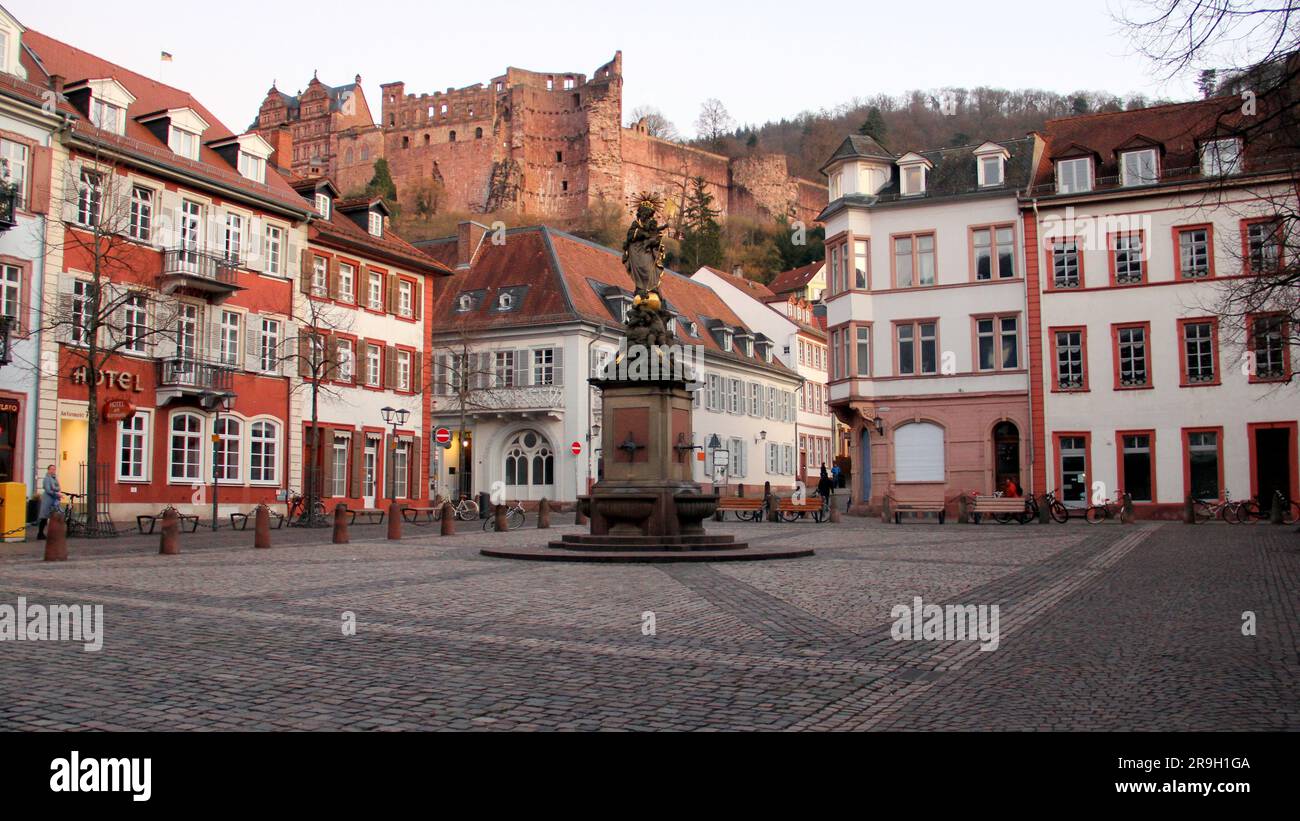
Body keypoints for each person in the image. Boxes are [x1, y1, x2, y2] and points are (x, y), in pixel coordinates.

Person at [37, 464, 61, 540]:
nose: (53, 471)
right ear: (48, 470)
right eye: (52, 469)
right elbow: (48, 490)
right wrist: (56, 492)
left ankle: (52, 533)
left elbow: (58, 487)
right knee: (44, 517)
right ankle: (40, 533)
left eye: (54, 469)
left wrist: (56, 490)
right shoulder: (47, 479)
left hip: (54, 499)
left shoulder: (55, 478)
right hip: (47, 499)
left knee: (54, 516)